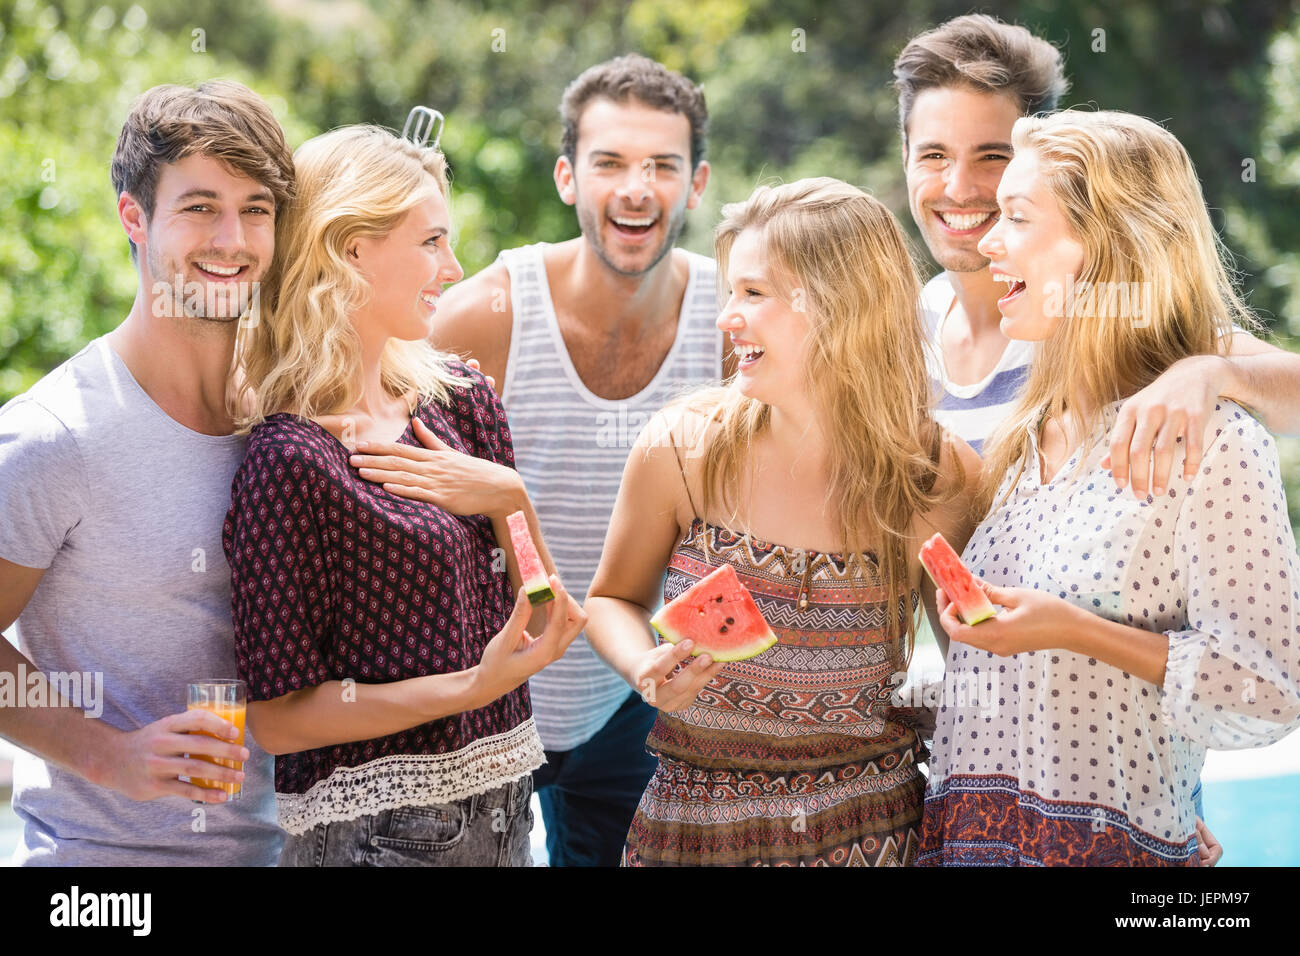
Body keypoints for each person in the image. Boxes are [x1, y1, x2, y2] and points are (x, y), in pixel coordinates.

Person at [891, 12, 1300, 860]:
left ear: (1105, 241)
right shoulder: (935, 366)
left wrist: (1212, 370)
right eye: (933, 154)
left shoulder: (1196, 421)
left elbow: (1266, 684)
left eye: (1007, 193)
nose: (975, 222)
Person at [583, 178, 983, 866]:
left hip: (871, 830)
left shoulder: (934, 474)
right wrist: (643, 665)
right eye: (731, 291)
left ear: (841, 305)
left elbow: (976, 666)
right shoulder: (683, 447)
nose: (726, 317)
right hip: (694, 825)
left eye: (755, 294)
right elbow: (610, 599)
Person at [224, 124, 586, 867]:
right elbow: (279, 721)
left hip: (509, 819)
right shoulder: (289, 458)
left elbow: (545, 615)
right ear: (351, 247)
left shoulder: (464, 401)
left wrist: (507, 499)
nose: (453, 268)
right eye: (430, 242)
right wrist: (466, 688)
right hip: (376, 840)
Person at [426, 54, 728, 866]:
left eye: (663, 166)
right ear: (568, 178)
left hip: (634, 697)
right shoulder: (484, 317)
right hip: (480, 686)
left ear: (695, 186)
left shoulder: (731, 325)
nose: (637, 188)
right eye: (611, 164)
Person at [0, 81, 293, 864]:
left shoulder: (289, 420)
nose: (231, 239)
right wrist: (108, 756)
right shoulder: (57, 435)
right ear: (134, 216)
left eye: (255, 209)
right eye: (200, 207)